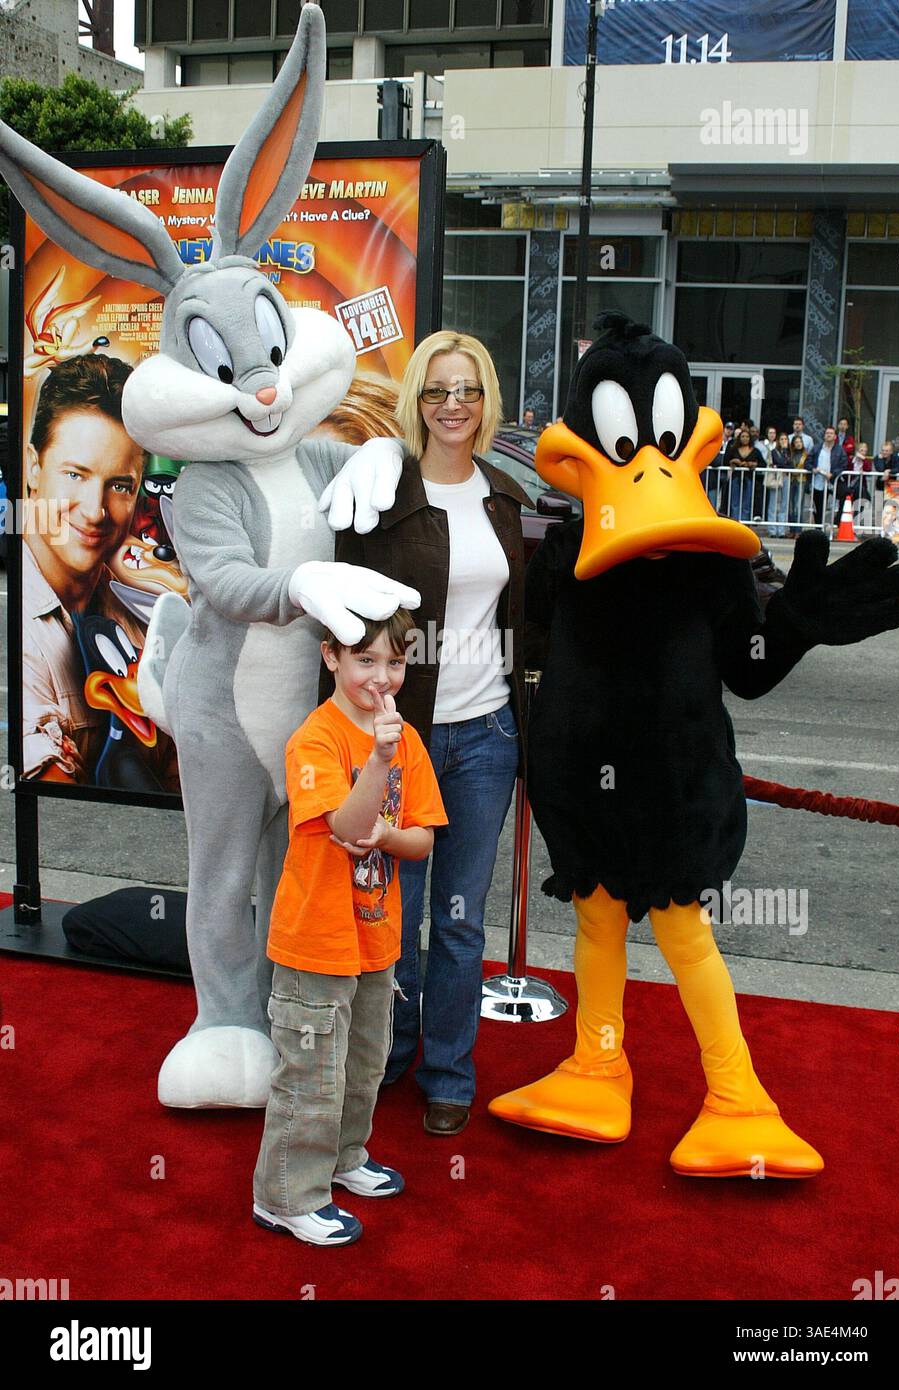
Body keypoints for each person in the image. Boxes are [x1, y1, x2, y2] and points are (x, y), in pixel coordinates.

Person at [322, 329, 530, 1136]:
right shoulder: (382, 497)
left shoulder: (503, 497)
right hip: (396, 737)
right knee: (390, 910)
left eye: (469, 390)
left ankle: (448, 1070)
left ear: (487, 403)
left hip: (485, 737)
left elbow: (523, 621)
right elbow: (341, 614)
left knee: (458, 917)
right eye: (439, 390)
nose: (454, 406)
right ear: (417, 399)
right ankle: (388, 1053)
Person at [252, 609, 448, 1247]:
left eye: (395, 662)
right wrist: (379, 760)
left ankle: (343, 1158)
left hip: (375, 935)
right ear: (330, 656)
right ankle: (286, 1196)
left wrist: (388, 831)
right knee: (311, 1069)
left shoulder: (407, 738)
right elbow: (343, 827)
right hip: (316, 937)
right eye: (366, 660)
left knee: (363, 1063)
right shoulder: (315, 739)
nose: (383, 677)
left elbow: (419, 839)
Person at [22, 353, 176, 787]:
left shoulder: (144, 614)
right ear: (34, 467)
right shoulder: (17, 622)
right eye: (75, 475)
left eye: (120, 485)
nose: (95, 511)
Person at [805, 425, 847, 530]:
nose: (828, 435)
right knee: (818, 507)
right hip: (818, 482)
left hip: (833, 482)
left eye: (831, 433)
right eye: (827, 433)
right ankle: (818, 529)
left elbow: (843, 464)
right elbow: (807, 462)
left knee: (839, 503)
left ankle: (836, 526)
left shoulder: (839, 450)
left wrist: (833, 474)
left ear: (835, 436)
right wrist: (812, 469)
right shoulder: (817, 448)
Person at [723, 426, 759, 521]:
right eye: (743, 436)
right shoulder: (734, 449)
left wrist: (753, 464)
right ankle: (736, 523)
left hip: (749, 479)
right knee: (735, 503)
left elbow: (762, 463)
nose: (745, 438)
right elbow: (725, 461)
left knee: (746, 503)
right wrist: (733, 461)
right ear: (739, 438)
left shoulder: (755, 451)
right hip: (736, 478)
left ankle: (745, 523)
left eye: (747, 436)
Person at [787, 431, 810, 529]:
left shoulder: (806, 455)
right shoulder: (790, 455)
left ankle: (798, 529)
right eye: (796, 442)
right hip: (792, 480)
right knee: (791, 506)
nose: (798, 444)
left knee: (798, 505)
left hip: (801, 480)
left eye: (800, 442)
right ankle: (792, 529)